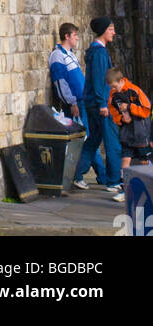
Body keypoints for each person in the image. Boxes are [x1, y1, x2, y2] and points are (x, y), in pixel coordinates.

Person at [49, 22, 108, 189]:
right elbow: (60, 82)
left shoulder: (70, 54)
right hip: (75, 103)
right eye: (75, 35)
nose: (77, 38)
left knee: (89, 137)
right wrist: (72, 102)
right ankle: (94, 175)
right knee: (87, 138)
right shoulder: (58, 56)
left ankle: (101, 175)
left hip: (82, 102)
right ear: (67, 36)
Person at [75, 17, 123, 192]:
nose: (114, 32)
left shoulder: (96, 51)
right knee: (112, 142)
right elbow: (99, 81)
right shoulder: (100, 53)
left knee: (94, 139)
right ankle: (113, 181)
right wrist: (103, 103)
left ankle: (77, 174)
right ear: (103, 30)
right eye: (111, 29)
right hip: (100, 105)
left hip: (93, 103)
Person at [106, 68, 152, 202]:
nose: (114, 90)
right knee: (125, 160)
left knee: (143, 161)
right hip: (126, 132)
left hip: (140, 132)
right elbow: (113, 110)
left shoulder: (134, 90)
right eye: (111, 88)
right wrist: (120, 119)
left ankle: (147, 188)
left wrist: (130, 108)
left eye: (115, 86)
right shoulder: (113, 94)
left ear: (121, 81)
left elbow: (146, 109)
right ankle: (126, 190)